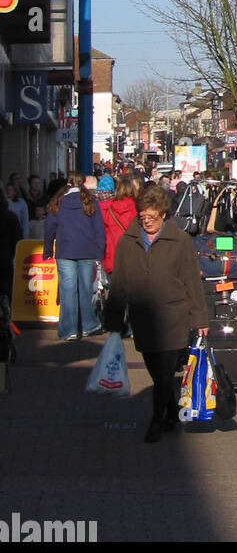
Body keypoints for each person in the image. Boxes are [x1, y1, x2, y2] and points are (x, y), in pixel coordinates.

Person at [103, 184, 209, 443]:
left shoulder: (180, 241)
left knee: (163, 373)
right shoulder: (128, 242)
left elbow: (191, 281)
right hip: (143, 316)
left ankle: (156, 422)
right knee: (155, 371)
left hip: (173, 315)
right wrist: (114, 319)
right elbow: (120, 282)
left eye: (152, 216)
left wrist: (200, 318)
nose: (147, 221)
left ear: (163, 214)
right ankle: (172, 412)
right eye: (143, 217)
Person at [43, 172, 106, 342]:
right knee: (86, 289)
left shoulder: (59, 201)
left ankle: (68, 330)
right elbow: (99, 228)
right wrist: (100, 250)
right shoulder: (90, 201)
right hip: (87, 250)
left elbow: (49, 226)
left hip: (65, 250)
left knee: (67, 291)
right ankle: (88, 325)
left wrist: (47, 249)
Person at [100, 176, 139, 280]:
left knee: (114, 292)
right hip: (133, 257)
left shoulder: (108, 208)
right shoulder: (137, 208)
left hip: (112, 256)